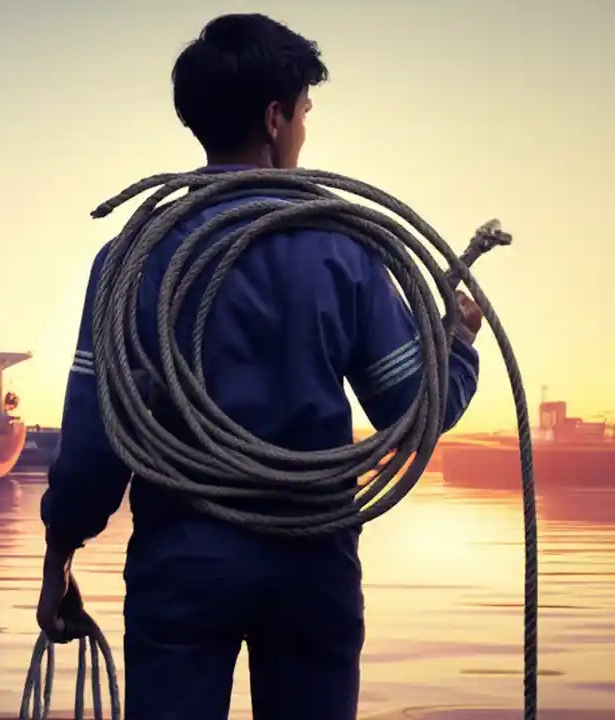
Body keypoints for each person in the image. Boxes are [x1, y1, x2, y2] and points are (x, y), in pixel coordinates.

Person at [35, 13, 483, 720]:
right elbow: (414, 408)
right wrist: (454, 345)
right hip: (313, 563)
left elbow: (95, 436)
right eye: (305, 111)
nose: (305, 130)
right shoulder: (346, 247)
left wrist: (60, 554)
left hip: (181, 563)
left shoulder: (130, 257)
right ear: (275, 118)